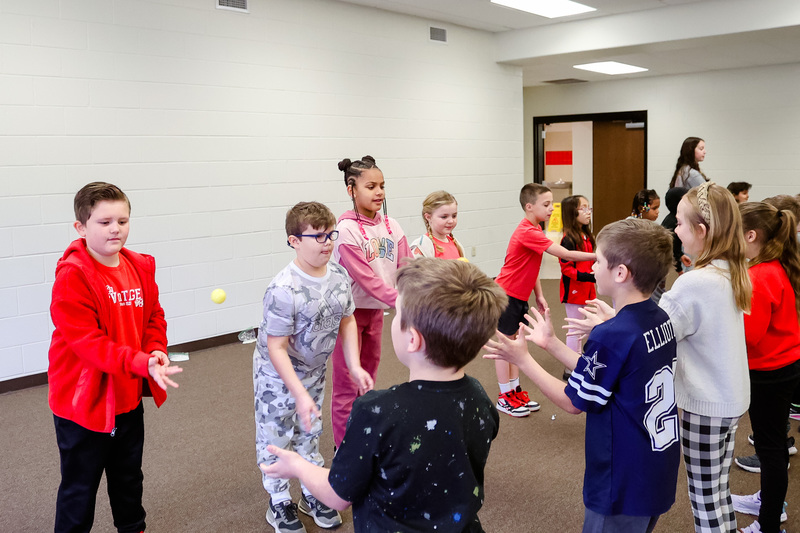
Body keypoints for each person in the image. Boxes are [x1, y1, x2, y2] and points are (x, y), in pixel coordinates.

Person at [260, 258, 506, 532]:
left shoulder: (376, 412)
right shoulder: (479, 398)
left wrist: (297, 466)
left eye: (396, 313)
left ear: (413, 339)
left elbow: (337, 496)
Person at [484, 218, 680, 533]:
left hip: (621, 481)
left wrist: (523, 359)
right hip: (655, 467)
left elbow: (573, 401)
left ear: (620, 273)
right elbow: (605, 374)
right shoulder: (660, 318)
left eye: (598, 261)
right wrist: (551, 343)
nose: (593, 267)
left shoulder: (613, 334)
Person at [48, 182, 182, 533]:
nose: (115, 229)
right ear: (81, 227)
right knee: (79, 489)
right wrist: (141, 363)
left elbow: (153, 317)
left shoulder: (139, 267)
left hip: (127, 398)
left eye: (122, 221)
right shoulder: (73, 276)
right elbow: (88, 343)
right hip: (84, 404)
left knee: (128, 479)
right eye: (104, 222)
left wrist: (155, 349)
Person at [254, 201, 374, 533]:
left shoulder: (339, 276)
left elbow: (348, 319)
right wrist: (298, 393)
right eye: (318, 236)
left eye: (331, 234)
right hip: (277, 376)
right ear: (294, 241)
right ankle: (278, 499)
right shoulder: (283, 289)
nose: (327, 242)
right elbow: (276, 347)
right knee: (276, 432)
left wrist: (354, 365)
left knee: (309, 429)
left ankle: (312, 491)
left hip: (314, 370)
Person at [659, 182, 752, 533]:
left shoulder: (694, 283)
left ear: (701, 231)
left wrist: (616, 319)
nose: (675, 230)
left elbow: (658, 334)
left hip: (705, 408)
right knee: (718, 491)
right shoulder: (731, 269)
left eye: (680, 223)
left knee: (704, 499)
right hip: (729, 400)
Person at [329, 155, 412, 447]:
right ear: (351, 190)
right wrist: (400, 301)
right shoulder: (346, 230)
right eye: (371, 186)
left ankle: (364, 438)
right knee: (346, 384)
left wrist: (415, 294)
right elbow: (366, 279)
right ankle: (343, 448)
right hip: (348, 316)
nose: (379, 192)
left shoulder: (392, 226)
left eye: (382, 186)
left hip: (376, 312)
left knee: (367, 380)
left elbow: (406, 267)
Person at [493, 183, 596, 417]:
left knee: (517, 343)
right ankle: (504, 396)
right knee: (506, 344)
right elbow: (565, 254)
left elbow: (532, 266)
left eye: (552, 204)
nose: (551, 209)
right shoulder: (527, 231)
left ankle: (514, 390)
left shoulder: (536, 228)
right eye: (546, 204)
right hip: (506, 295)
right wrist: (599, 255)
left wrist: (538, 294)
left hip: (519, 295)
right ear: (529, 207)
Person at [730, 202, 800, 533]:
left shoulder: (759, 276)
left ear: (751, 235)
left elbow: (750, 337)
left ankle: (769, 523)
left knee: (770, 449)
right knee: (773, 445)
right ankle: (767, 503)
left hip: (769, 372)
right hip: (783, 365)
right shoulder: (775, 265)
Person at [558, 195, 596, 378]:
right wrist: (587, 277)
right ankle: (570, 368)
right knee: (575, 329)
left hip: (588, 289)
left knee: (586, 327)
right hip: (574, 291)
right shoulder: (568, 240)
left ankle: (579, 361)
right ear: (572, 213)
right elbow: (567, 269)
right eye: (584, 208)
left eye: (589, 208)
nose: (588, 212)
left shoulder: (586, 236)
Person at [410, 190, 465, 258]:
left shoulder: (457, 244)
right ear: (428, 217)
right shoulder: (422, 246)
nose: (451, 221)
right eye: (444, 217)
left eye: (454, 216)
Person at [661, 187, 690, 274]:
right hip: (669, 266)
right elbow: (672, 247)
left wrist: (681, 255)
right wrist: (679, 270)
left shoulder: (672, 218)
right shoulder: (674, 222)